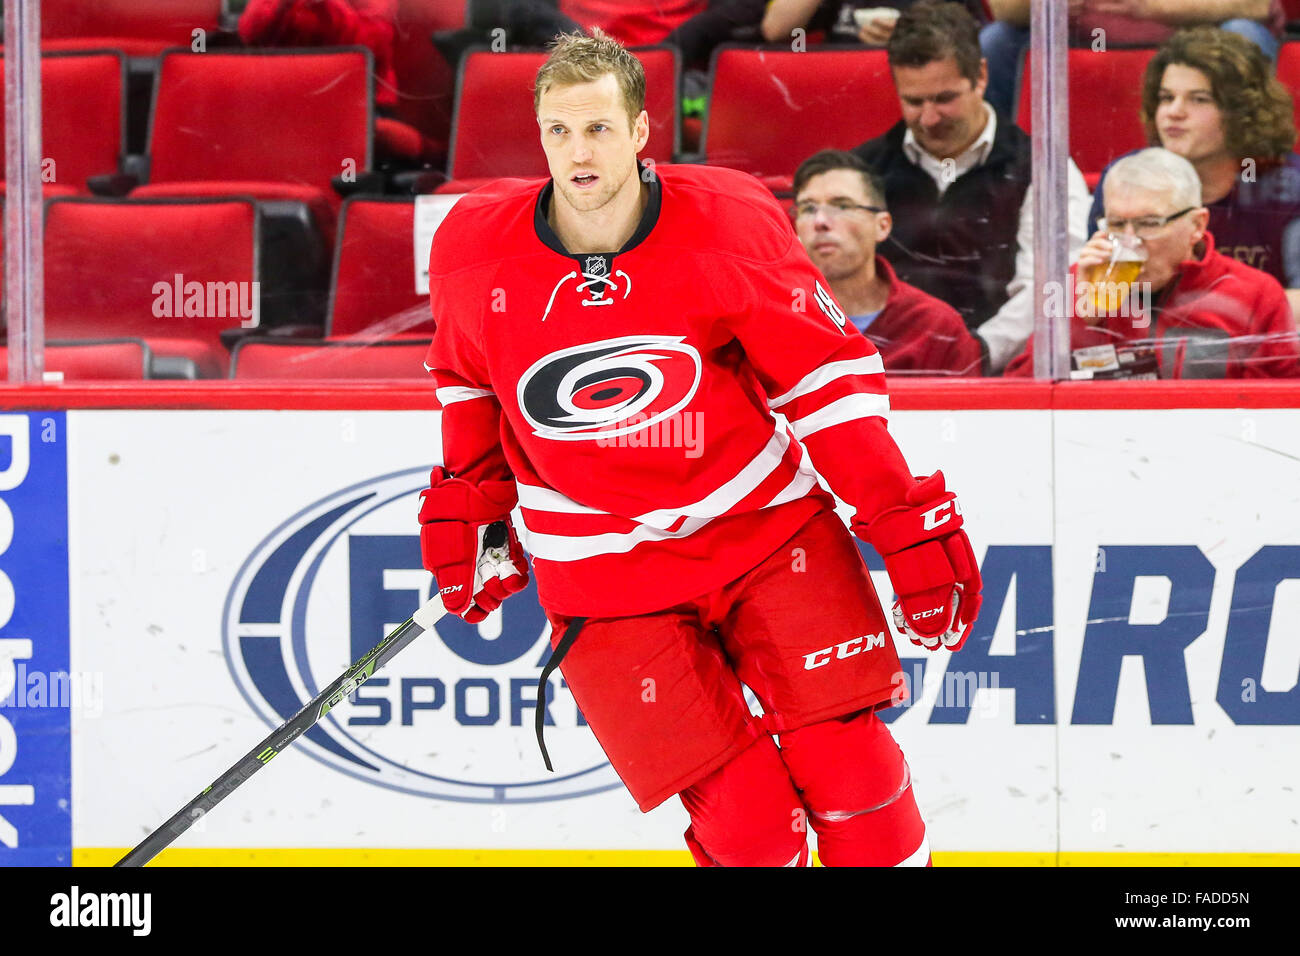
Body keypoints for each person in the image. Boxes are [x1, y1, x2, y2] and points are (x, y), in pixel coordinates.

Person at [418, 29, 982, 867]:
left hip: (764, 535)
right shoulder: (473, 245)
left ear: (642, 131)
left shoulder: (726, 220)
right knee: (753, 829)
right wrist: (473, 513)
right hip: (606, 572)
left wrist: (902, 522)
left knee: (855, 784)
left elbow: (825, 389)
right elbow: (473, 391)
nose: (579, 151)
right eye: (560, 131)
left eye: (600, 128)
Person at [851, 0, 1090, 374]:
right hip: (879, 373)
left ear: (981, 76)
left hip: (997, 377)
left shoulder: (1044, 167)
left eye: (945, 99)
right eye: (914, 102)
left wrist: (976, 352)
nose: (929, 118)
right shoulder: (862, 170)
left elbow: (1054, 286)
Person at [1005, 148, 1300, 378]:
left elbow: (1278, 410)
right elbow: (1027, 399)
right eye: (1117, 224)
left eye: (1149, 223)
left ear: (1197, 224)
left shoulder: (1254, 294)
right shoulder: (1081, 284)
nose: (1130, 240)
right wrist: (1082, 321)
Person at [1086, 28, 1300, 305]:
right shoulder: (1125, 178)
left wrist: (1213, 311)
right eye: (1166, 98)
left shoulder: (1288, 186)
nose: (1174, 111)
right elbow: (1104, 297)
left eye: (1199, 99)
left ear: (1242, 112)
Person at [793, 149, 983, 375]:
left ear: (882, 226)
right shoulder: (777, 322)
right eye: (808, 208)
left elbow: (967, 410)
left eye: (842, 206)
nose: (820, 221)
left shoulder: (936, 327)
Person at [981, 0, 1285, 119]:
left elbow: (1255, 5)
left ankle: (1248, 172)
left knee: (1245, 36)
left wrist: (1156, 7)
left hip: (1192, 41)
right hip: (1081, 38)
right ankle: (1003, 170)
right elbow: (1005, 9)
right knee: (996, 42)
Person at [238, 0, 400, 109]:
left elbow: (368, 43)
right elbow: (249, 33)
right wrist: (283, 5)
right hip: (287, 98)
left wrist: (327, 5)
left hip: (360, 105)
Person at [759, 0, 986, 46]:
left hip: (913, 88)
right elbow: (776, 28)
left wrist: (916, 39)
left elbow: (976, 41)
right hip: (840, 87)